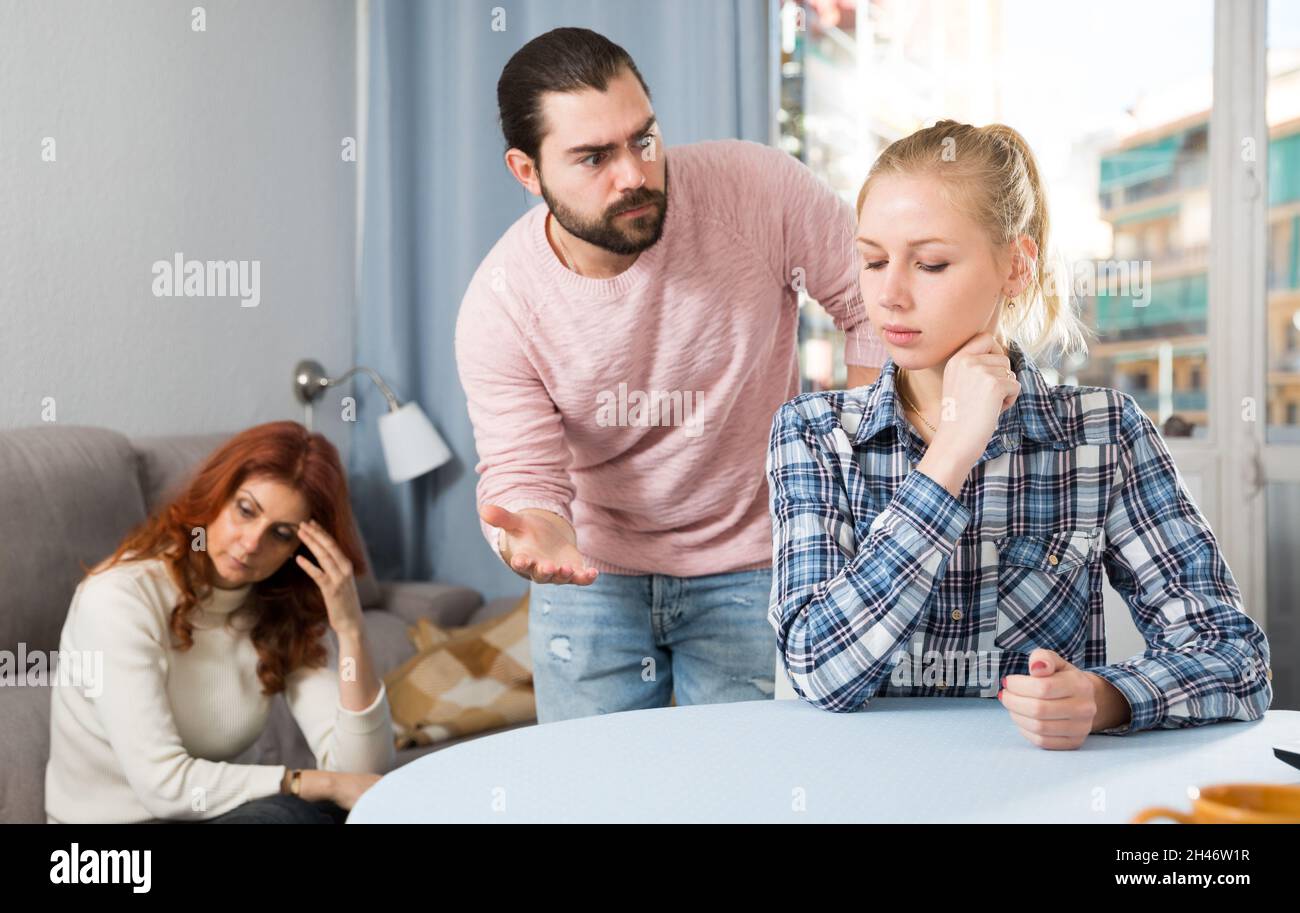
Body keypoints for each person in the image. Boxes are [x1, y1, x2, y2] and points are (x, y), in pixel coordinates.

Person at [766, 119, 1272, 748]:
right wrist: (950, 453)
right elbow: (819, 669)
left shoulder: (1104, 432)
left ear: (1016, 266)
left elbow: (1235, 657)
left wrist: (1102, 696)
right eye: (872, 260)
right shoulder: (814, 435)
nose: (889, 294)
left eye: (929, 263)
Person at [455, 28, 886, 722]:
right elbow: (525, 475)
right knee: (594, 799)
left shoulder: (755, 190)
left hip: (755, 562)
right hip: (590, 577)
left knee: (746, 797)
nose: (632, 174)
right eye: (593, 157)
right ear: (526, 172)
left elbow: (874, 300)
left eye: (643, 139)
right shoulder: (500, 305)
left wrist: (863, 452)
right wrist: (534, 531)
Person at [45, 421, 394, 822]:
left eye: (280, 534)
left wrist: (351, 630)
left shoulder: (281, 604)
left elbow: (362, 778)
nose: (251, 544)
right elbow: (164, 786)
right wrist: (315, 783)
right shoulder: (118, 598)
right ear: (216, 495)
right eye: (245, 510)